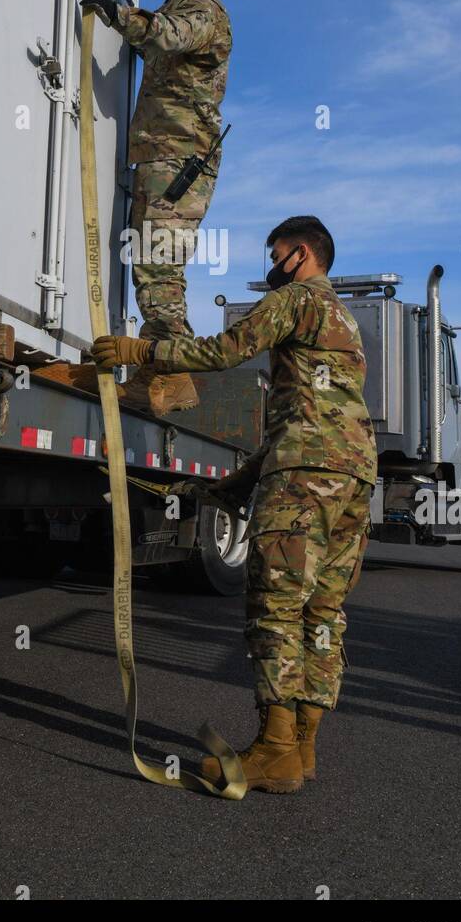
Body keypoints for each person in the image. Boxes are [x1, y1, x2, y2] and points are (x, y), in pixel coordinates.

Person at [91, 215, 378, 794]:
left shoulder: (297, 299)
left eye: (275, 253)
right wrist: (233, 487)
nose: (269, 265)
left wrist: (141, 348)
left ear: (301, 254)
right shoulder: (345, 320)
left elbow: (225, 349)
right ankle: (302, 748)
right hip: (353, 477)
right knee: (321, 613)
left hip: (304, 476)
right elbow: (310, 423)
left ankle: (274, 752)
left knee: (274, 604)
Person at [75, 0, 232, 417]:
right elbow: (153, 37)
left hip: (180, 158)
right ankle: (160, 369)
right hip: (158, 156)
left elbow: (164, 35)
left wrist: (113, 10)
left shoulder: (205, 11)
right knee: (151, 263)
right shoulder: (171, 7)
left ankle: (173, 371)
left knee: (158, 264)